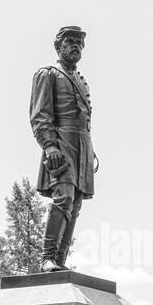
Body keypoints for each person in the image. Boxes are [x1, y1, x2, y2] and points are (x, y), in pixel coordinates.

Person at [29, 25, 95, 271]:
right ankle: (46, 258)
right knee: (63, 198)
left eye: (79, 43)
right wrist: (49, 145)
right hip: (61, 143)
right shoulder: (47, 74)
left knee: (75, 204)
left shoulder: (81, 79)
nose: (76, 46)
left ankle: (59, 261)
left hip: (82, 148)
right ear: (58, 46)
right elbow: (40, 114)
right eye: (70, 41)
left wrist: (90, 151)